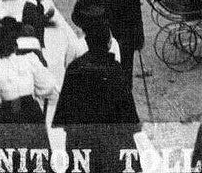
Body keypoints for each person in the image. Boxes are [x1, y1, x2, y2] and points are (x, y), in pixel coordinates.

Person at [53, 20, 141, 173]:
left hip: (82, 142)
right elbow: (128, 112)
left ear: (87, 41)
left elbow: (65, 112)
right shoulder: (116, 70)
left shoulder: (75, 69)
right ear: (108, 44)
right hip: (112, 142)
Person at [0, 20, 56, 159]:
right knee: (38, 156)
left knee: (10, 159)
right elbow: (48, 85)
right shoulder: (30, 60)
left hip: (7, 114)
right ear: (15, 45)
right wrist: (36, 93)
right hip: (31, 111)